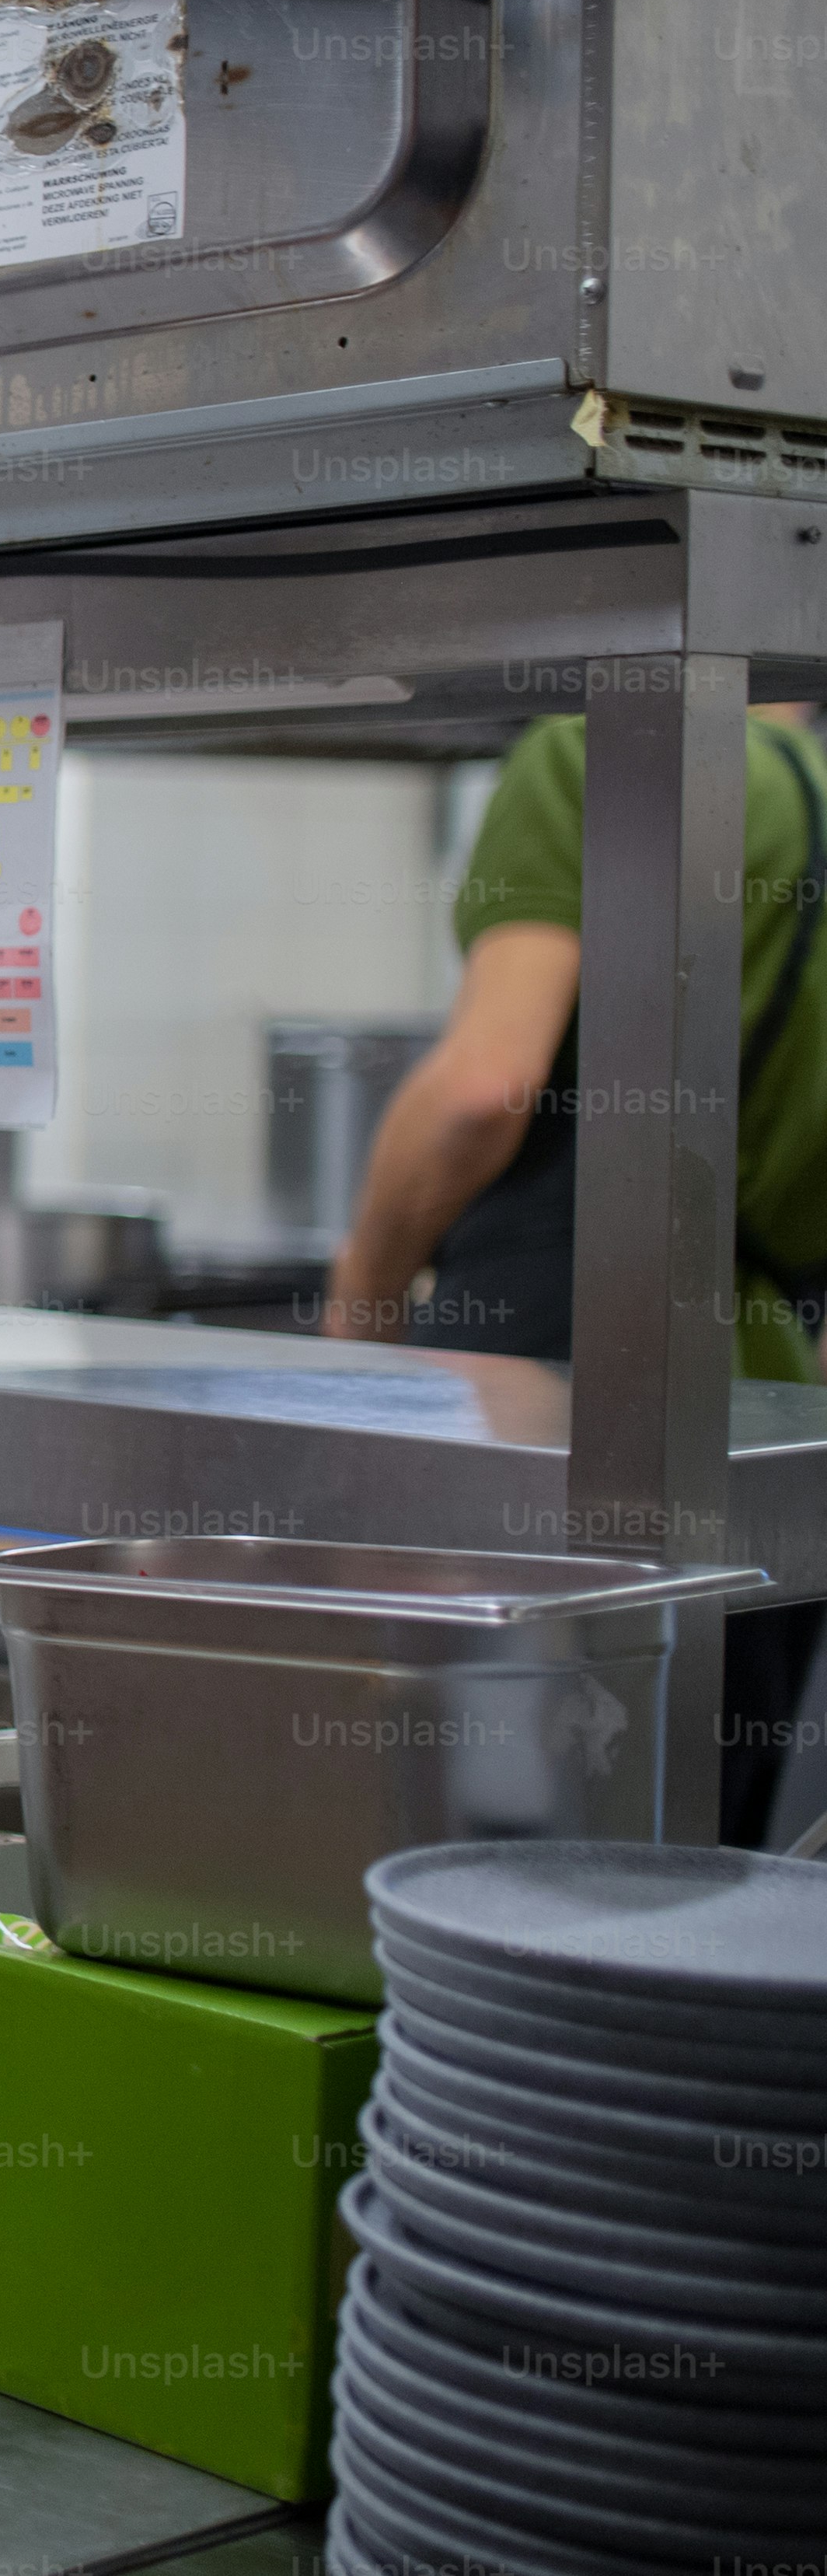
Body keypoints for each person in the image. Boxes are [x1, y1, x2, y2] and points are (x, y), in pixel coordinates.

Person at [324, 701, 827, 1846]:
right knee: (683, 1909)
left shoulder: (601, 749)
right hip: (764, 1420)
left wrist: (358, 1297)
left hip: (549, 1390)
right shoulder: (812, 798)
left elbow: (479, 1090)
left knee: (483, 1891)